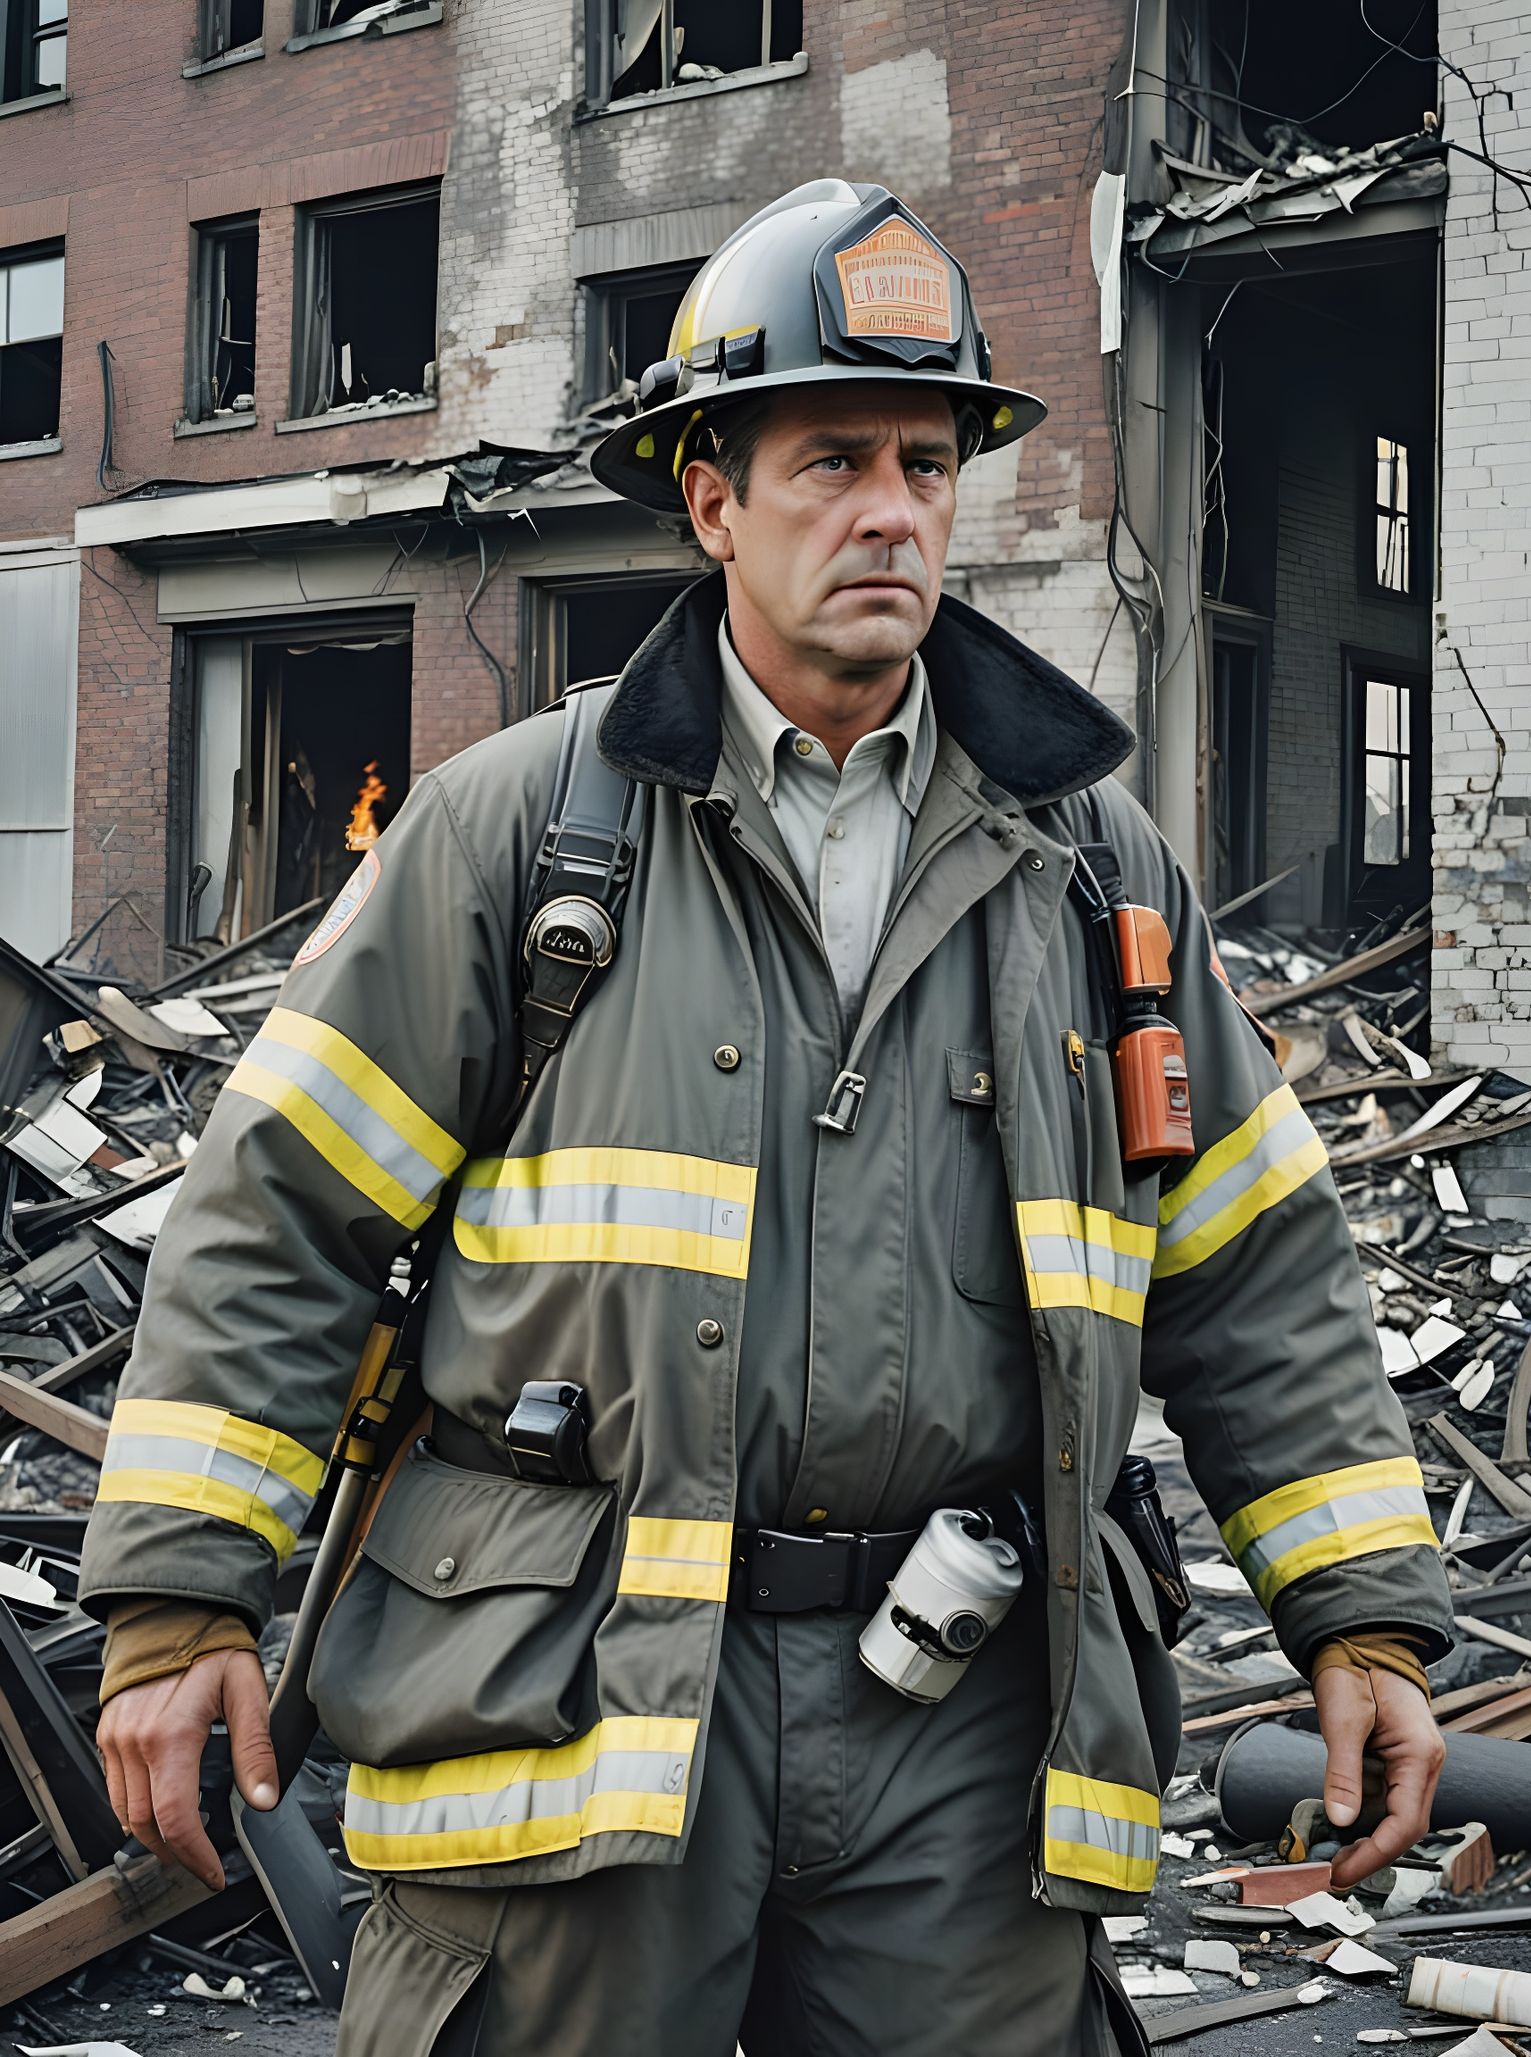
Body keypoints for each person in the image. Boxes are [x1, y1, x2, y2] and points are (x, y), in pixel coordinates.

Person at [82, 180, 1451, 2056]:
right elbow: (279, 1218)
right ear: (711, 496)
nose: (891, 509)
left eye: (924, 458)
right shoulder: (518, 835)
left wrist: (1359, 1616)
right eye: (829, 461)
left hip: (962, 1721)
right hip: (586, 1686)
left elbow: (1254, 1261)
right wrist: (178, 1606)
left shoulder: (1090, 866)